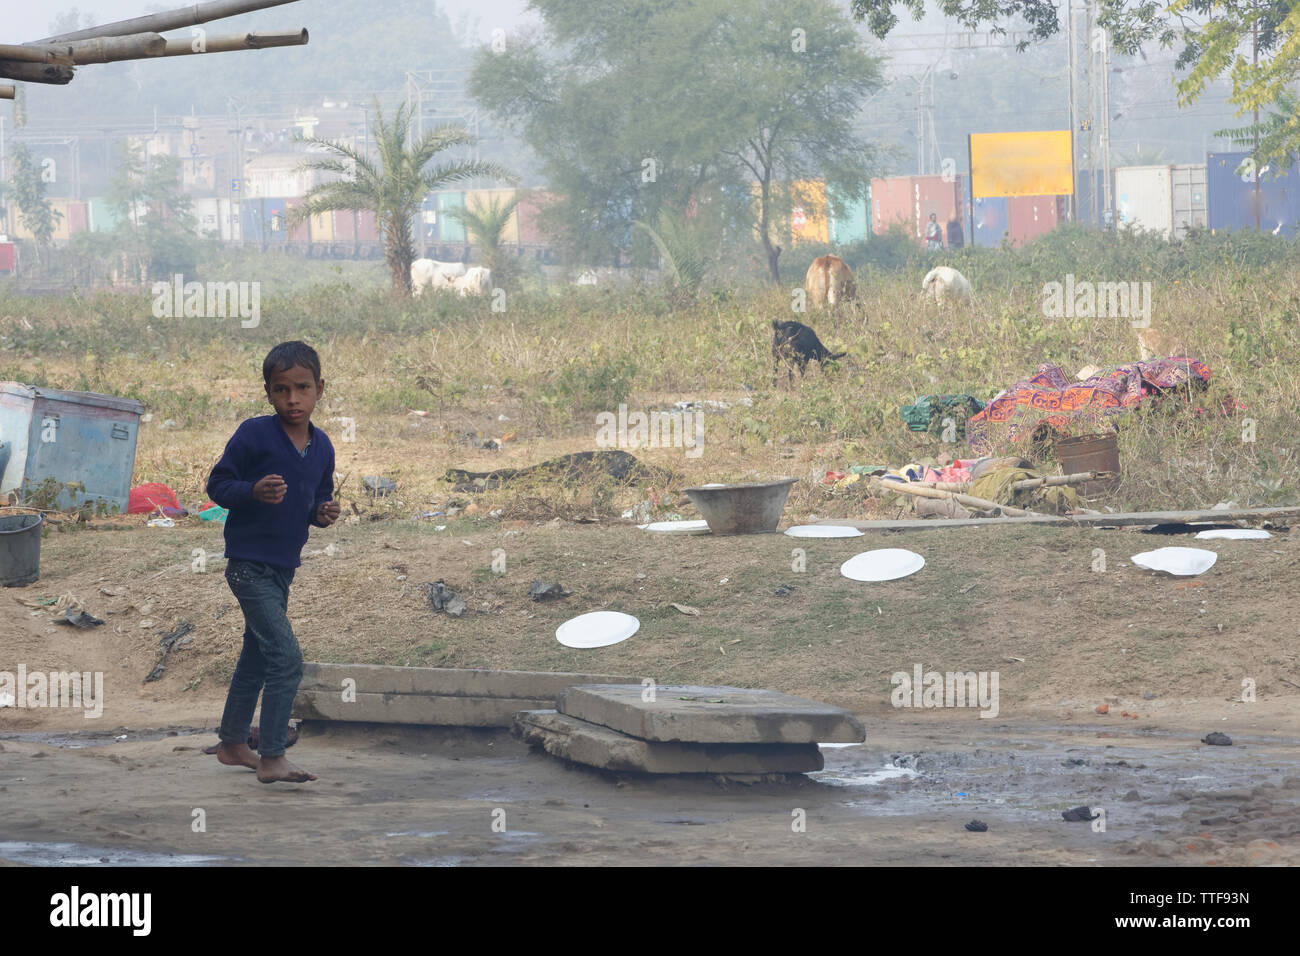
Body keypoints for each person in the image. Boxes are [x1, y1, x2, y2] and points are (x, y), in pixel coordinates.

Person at [207, 341, 339, 784]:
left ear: (319, 388)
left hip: (284, 567)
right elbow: (219, 484)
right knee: (285, 657)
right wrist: (251, 491)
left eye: (302, 388)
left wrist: (322, 514)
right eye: (281, 390)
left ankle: (231, 743)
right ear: (268, 392)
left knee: (258, 658)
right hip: (248, 565)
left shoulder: (321, 447)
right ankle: (271, 756)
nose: (292, 399)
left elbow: (316, 500)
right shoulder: (254, 435)